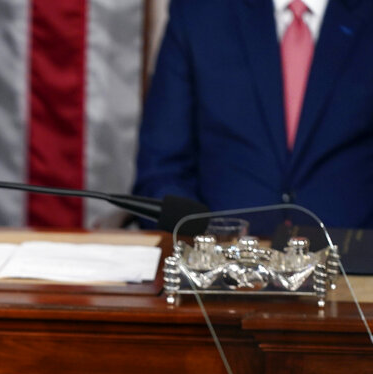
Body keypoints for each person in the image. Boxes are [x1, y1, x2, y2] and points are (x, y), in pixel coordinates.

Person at [133, 0, 373, 232]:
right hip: (221, 250)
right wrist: (199, 238)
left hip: (354, 251)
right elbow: (161, 169)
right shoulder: (199, 12)